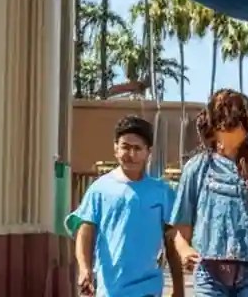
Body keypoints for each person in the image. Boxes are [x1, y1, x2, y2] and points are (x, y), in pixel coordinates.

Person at [170, 89, 248, 297]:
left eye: (236, 120)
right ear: (213, 126)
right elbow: (180, 228)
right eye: (223, 121)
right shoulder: (197, 168)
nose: (229, 127)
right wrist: (184, 250)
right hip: (209, 271)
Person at [66, 115, 183, 297]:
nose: (131, 155)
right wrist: (84, 269)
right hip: (110, 290)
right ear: (115, 148)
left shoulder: (161, 192)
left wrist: (179, 288)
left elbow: (172, 242)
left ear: (148, 152)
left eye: (138, 148)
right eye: (125, 147)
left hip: (148, 289)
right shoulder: (100, 189)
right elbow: (85, 231)